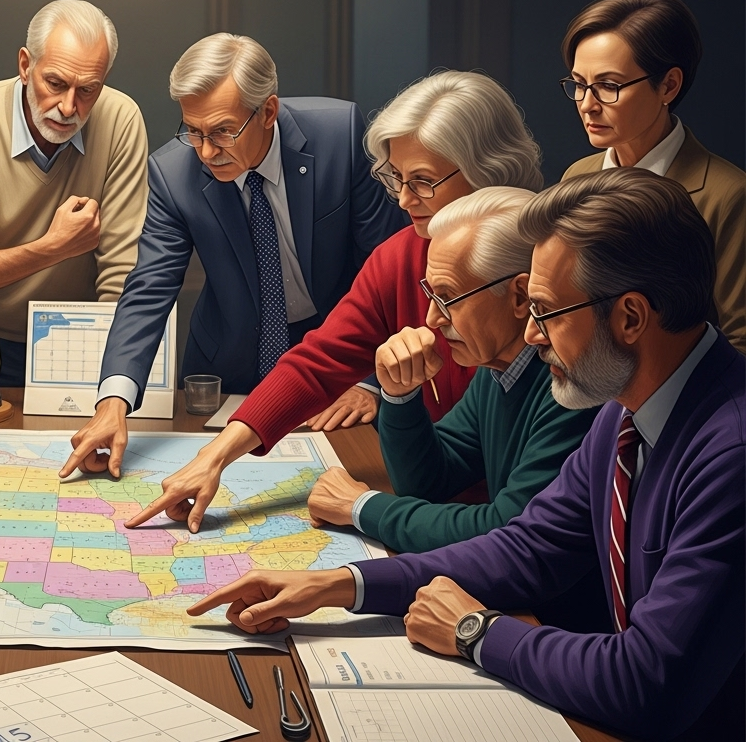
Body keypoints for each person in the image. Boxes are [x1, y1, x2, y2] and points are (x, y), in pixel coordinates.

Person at [188, 169, 744, 741]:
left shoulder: (731, 453)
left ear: (629, 317)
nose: (530, 335)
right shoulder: (623, 409)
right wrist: (341, 584)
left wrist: (477, 631)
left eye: (548, 312)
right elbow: (527, 546)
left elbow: (645, 682)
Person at [129, 70, 543, 532]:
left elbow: (522, 527)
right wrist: (216, 454)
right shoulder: (402, 254)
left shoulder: (557, 293)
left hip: (484, 532)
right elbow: (318, 361)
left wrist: (368, 508)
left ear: (487, 168)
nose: (404, 200)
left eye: (423, 181)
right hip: (435, 510)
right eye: (397, 179)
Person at [63, 33, 405, 478]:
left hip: (333, 362)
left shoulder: (340, 135)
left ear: (267, 111)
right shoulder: (172, 173)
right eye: (193, 131)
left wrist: (368, 380)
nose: (205, 152)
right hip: (226, 369)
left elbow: (388, 267)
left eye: (223, 131)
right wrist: (113, 402)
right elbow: (149, 289)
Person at [305, 187, 598, 556]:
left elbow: (505, 530)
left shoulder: (572, 386)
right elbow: (429, 481)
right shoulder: (500, 367)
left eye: (448, 297)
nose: (432, 318)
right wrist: (400, 395)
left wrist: (362, 507)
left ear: (520, 297)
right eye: (431, 295)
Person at [0, 0, 148, 386]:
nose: (68, 107)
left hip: (84, 340)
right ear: (26, 66)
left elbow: (121, 273)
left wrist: (114, 373)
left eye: (88, 90)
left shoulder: (121, 119)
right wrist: (53, 248)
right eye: (56, 83)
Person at [559, 0, 745, 353]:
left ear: (668, 85)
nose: (587, 105)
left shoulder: (728, 197)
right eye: (579, 84)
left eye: (609, 86)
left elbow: (741, 341)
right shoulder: (576, 179)